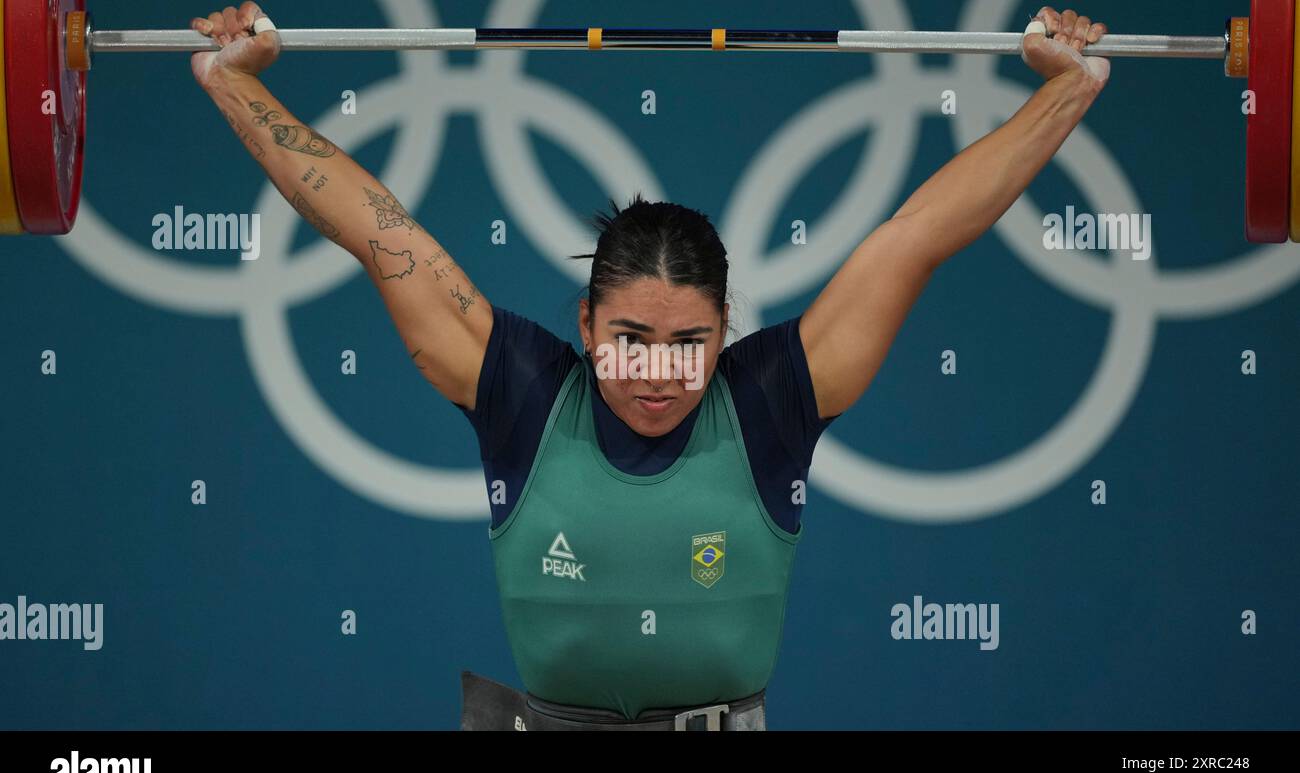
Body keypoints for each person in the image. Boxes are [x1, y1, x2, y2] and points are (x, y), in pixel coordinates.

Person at [190, 3, 1110, 730]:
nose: (659, 372)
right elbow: (372, 223)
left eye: (689, 343)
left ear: (725, 331)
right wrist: (237, 86)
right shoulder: (519, 389)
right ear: (587, 324)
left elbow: (917, 236)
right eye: (630, 336)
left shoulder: (772, 400)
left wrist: (1065, 91)